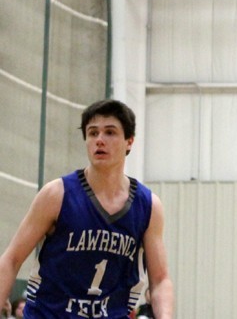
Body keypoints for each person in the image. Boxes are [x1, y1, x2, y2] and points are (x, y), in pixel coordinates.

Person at [0, 99, 174, 319]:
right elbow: (11, 259)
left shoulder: (148, 206)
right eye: (93, 133)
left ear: (129, 141)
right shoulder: (56, 195)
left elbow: (160, 280)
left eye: (110, 132)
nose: (99, 140)